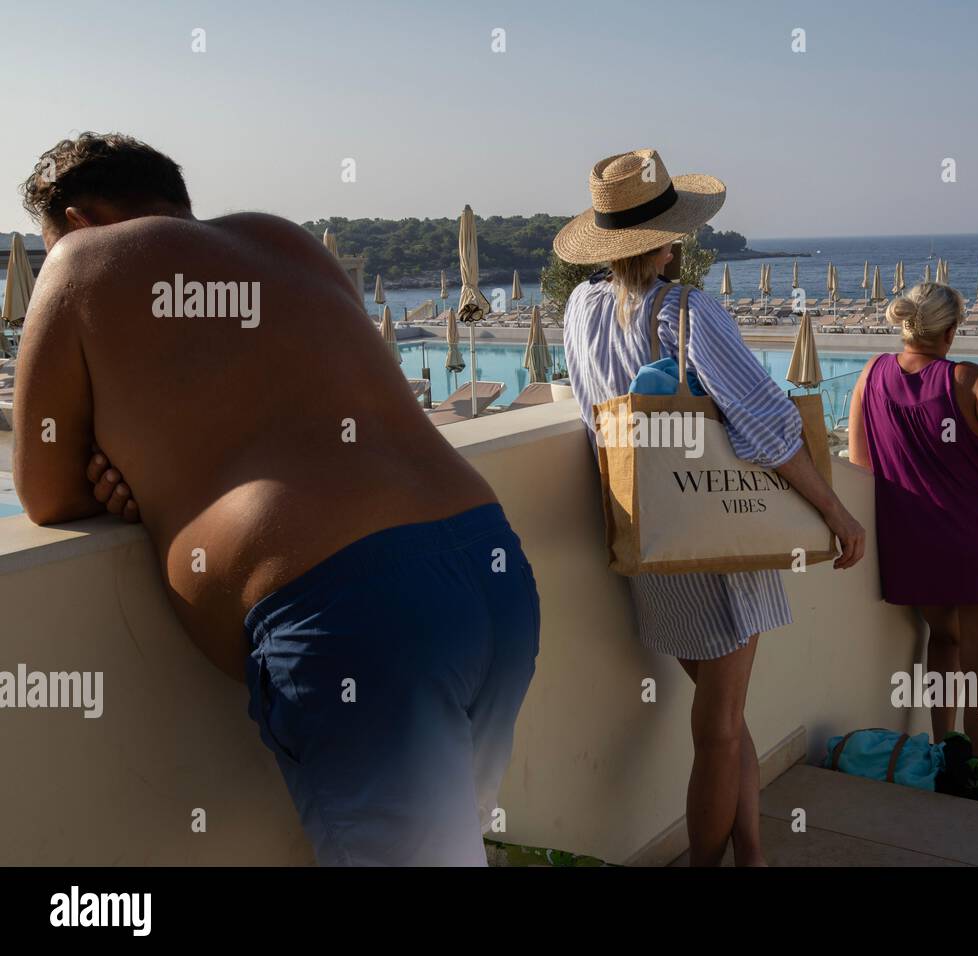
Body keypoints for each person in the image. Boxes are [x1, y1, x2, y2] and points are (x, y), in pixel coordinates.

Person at [13, 132, 539, 866]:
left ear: (77, 218)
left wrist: (117, 474)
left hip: (360, 619)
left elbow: (43, 491)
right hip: (490, 570)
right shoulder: (286, 240)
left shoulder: (78, 259)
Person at [555, 148, 865, 866]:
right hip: (715, 531)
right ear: (668, 238)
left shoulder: (579, 308)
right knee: (718, 727)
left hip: (649, 529)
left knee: (723, 719)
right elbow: (764, 424)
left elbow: (591, 416)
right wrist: (836, 513)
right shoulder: (684, 310)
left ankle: (750, 851)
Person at [848, 282, 978, 769]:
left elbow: (858, 466)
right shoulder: (966, 379)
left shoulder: (871, 375)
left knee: (944, 642)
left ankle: (943, 755)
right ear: (952, 330)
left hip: (915, 542)